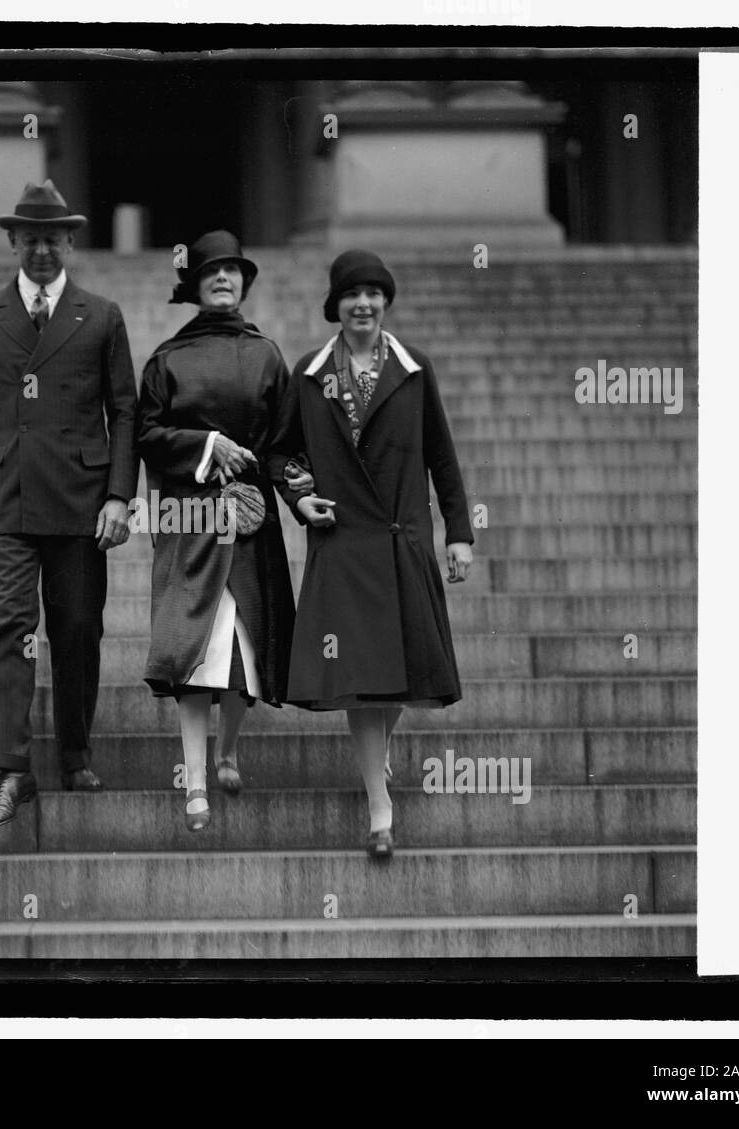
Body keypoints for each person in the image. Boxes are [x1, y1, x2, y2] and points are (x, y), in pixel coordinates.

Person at [268, 250, 474, 858]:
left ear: (385, 303)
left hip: (401, 538)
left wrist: (458, 532)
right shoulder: (309, 373)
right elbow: (281, 454)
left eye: (373, 294)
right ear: (336, 305)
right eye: (352, 295)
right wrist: (300, 499)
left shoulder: (413, 370)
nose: (363, 304)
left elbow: (442, 455)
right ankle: (379, 807)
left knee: (398, 677)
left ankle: (377, 762)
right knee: (362, 683)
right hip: (342, 543)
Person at [0, 180, 138, 830]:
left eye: (51, 239)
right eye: (29, 239)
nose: (40, 250)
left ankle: (76, 751)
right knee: (11, 628)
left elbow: (125, 409)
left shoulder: (102, 314)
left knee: (78, 627)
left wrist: (120, 494)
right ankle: (10, 769)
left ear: (69, 241)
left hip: (81, 500)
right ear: (13, 242)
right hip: (4, 497)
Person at [138, 230, 305, 832]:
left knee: (243, 650)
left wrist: (301, 498)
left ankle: (229, 746)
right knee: (195, 651)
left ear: (244, 283)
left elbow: (286, 443)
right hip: (190, 520)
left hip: (250, 516)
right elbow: (146, 435)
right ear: (195, 286)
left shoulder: (267, 356)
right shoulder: (166, 360)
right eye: (212, 272)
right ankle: (196, 785)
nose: (224, 279)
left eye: (233, 271)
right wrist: (207, 445)